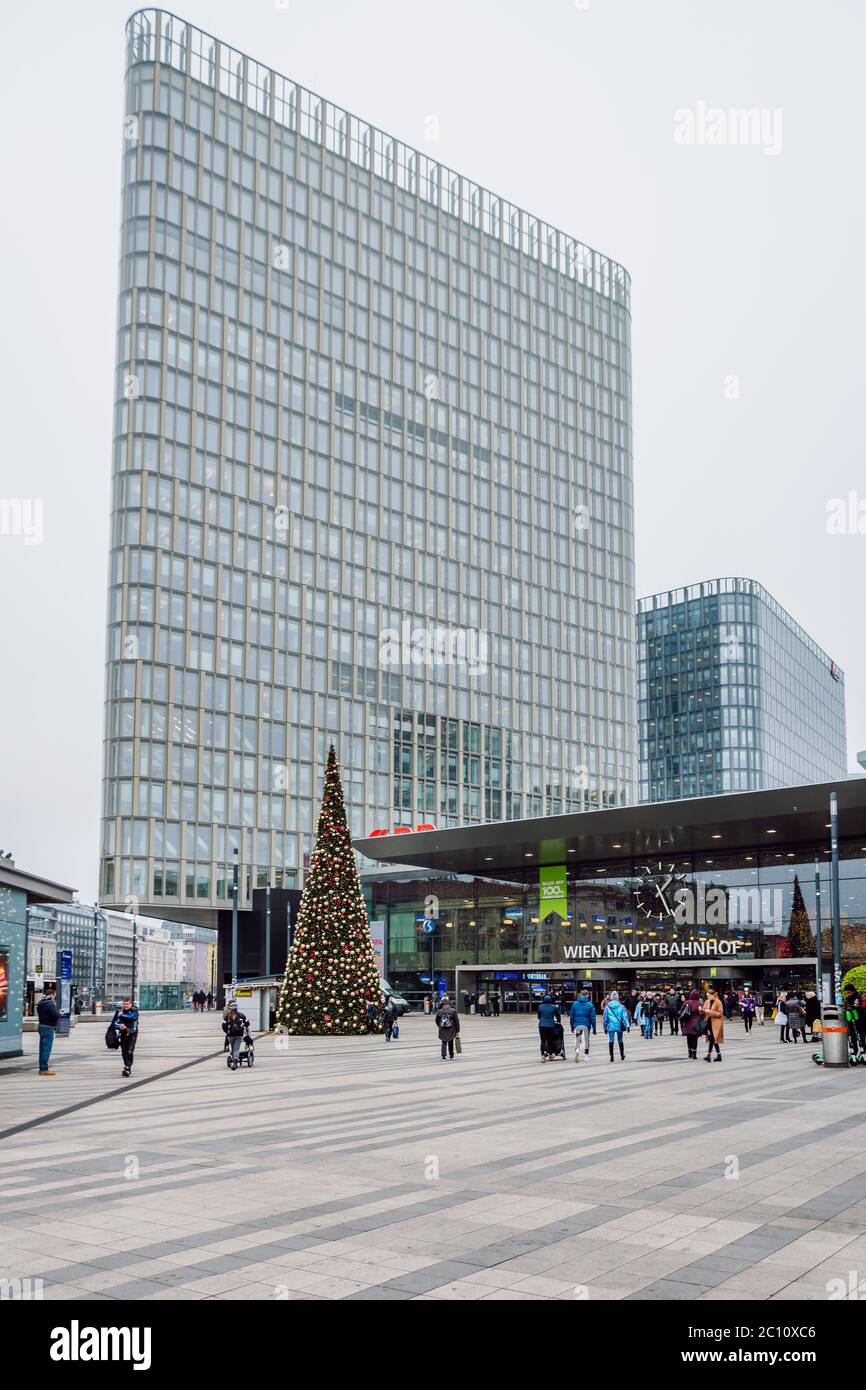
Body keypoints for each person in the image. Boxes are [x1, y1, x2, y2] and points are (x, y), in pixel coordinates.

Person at [36, 985, 61, 1076]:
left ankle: (42, 1067)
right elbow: (56, 1015)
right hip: (48, 1027)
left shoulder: (41, 1003)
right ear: (52, 994)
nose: (55, 997)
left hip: (41, 1026)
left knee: (42, 1049)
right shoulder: (50, 1003)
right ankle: (43, 1069)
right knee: (46, 1049)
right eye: (54, 995)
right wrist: (60, 1014)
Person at [111, 997, 139, 1077]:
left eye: (127, 1004)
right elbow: (114, 1023)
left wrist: (121, 1015)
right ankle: (127, 1068)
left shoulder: (134, 1010)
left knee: (129, 1052)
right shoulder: (120, 1012)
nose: (125, 1005)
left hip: (132, 1034)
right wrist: (119, 1026)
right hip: (123, 1035)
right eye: (124, 1004)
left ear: (130, 1004)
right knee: (124, 1053)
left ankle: (127, 1068)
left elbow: (131, 1017)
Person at [569, 990, 596, 1062]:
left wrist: (572, 1026)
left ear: (580, 995)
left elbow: (572, 1016)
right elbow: (593, 1018)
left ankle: (577, 1050)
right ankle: (586, 1056)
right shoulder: (590, 1005)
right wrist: (594, 1028)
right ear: (587, 995)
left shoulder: (575, 1004)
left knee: (578, 1038)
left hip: (577, 1025)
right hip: (587, 1025)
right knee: (586, 1040)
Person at [603, 990, 630, 1062]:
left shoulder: (607, 1007)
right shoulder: (621, 1007)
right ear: (617, 998)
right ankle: (622, 1055)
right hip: (619, 1025)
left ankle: (611, 1057)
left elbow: (605, 1018)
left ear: (611, 998)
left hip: (611, 1025)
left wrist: (605, 1027)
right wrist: (627, 1025)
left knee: (611, 1040)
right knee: (620, 1040)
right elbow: (625, 1017)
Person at [702, 986, 724, 1061]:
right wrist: (702, 1010)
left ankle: (709, 1055)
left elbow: (720, 1014)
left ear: (713, 995)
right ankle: (718, 1055)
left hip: (715, 1023)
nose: (708, 997)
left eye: (709, 996)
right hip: (708, 1022)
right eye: (707, 996)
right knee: (712, 1038)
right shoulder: (707, 1001)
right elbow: (705, 1011)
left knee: (713, 1038)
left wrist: (709, 1011)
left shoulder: (718, 1002)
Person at [536, 993, 561, 1061]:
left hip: (542, 1026)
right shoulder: (553, 1007)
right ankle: (550, 1054)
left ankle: (542, 1056)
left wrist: (542, 1020)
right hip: (550, 1026)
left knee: (543, 1041)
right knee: (550, 1041)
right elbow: (558, 1016)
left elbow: (539, 1016)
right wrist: (558, 1022)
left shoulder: (540, 1007)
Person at [680, 988, 702, 1059]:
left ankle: (690, 1053)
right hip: (697, 1023)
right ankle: (694, 1054)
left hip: (688, 1022)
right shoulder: (700, 1003)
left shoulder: (687, 1002)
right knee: (695, 1038)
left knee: (689, 1038)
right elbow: (702, 1013)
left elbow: (681, 1011)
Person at [435, 995, 460, 1059]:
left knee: (443, 1042)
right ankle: (451, 1054)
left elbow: (436, 1020)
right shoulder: (453, 1010)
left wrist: (439, 1026)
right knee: (450, 1041)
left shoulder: (439, 1011)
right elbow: (456, 1021)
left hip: (442, 1028)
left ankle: (443, 1055)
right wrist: (457, 1030)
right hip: (451, 1029)